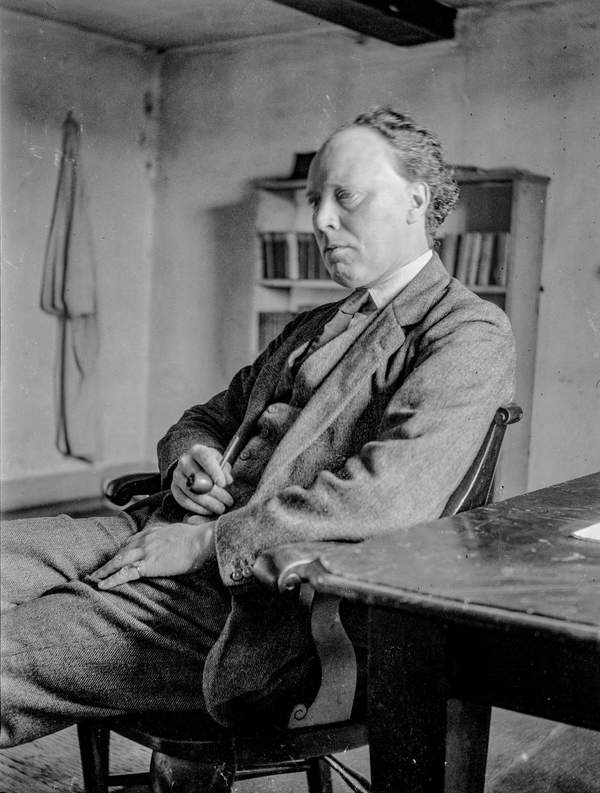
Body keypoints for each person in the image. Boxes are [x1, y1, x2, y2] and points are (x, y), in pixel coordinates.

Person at [1, 106, 515, 747]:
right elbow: (204, 418)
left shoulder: (466, 331)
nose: (322, 221)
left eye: (345, 197)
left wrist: (204, 542)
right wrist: (191, 458)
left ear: (415, 200)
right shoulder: (312, 323)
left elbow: (387, 497)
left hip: (261, 605)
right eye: (315, 200)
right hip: (161, 532)